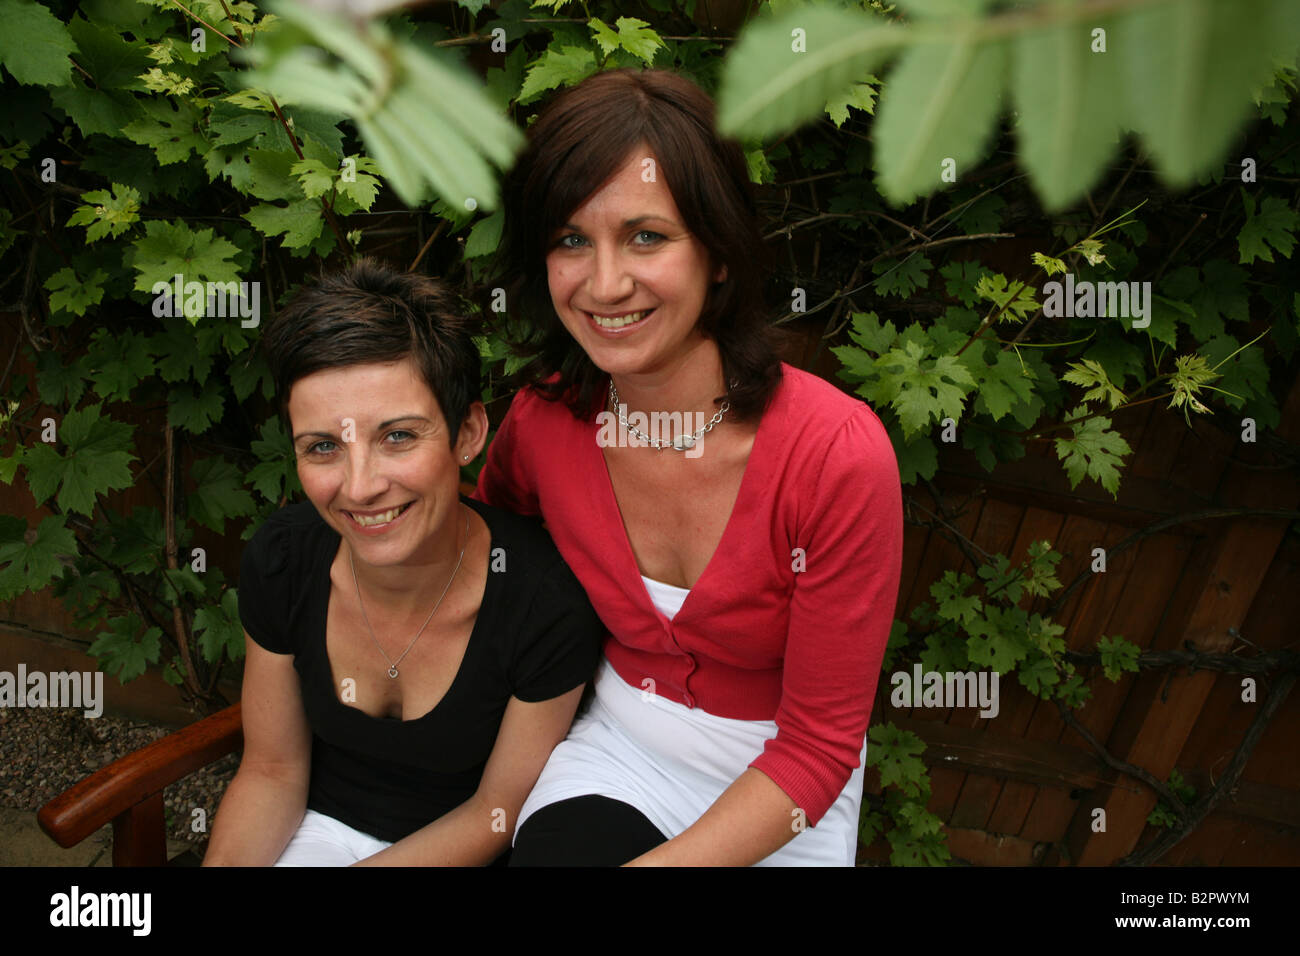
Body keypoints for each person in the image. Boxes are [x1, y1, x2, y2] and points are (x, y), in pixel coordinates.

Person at [474, 69, 904, 866]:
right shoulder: (544, 423)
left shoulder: (836, 457)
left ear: (721, 254)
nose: (604, 284)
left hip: (783, 784)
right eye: (571, 239)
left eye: (646, 236)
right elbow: (480, 583)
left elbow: (818, 744)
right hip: (615, 754)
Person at [202, 259, 604, 866]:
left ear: (467, 433)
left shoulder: (542, 602)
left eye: (398, 436)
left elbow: (494, 814)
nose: (360, 488)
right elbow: (272, 770)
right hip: (313, 831)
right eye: (323, 447)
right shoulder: (284, 561)